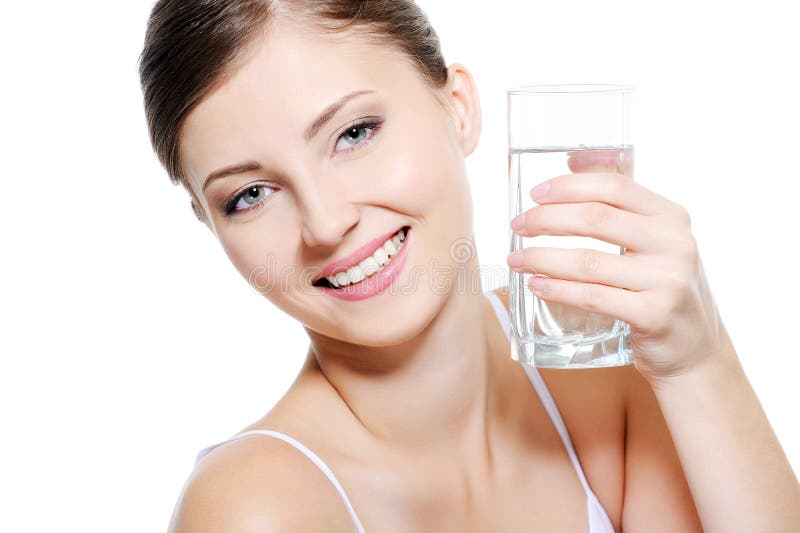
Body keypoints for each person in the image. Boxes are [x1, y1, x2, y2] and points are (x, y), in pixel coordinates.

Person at [138, 1, 800, 531]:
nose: (325, 222)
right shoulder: (257, 510)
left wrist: (701, 363)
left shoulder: (600, 374)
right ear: (209, 222)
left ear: (457, 108)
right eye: (249, 195)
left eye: (354, 132)